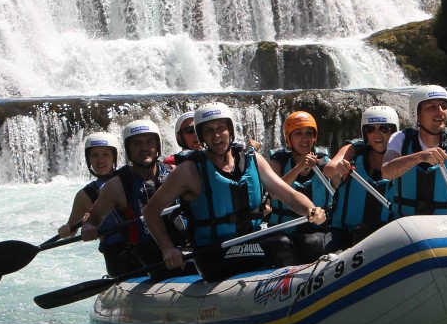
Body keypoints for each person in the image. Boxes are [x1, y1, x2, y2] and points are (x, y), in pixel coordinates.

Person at [142, 102, 328, 283]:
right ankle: (293, 292)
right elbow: (151, 211)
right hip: (213, 253)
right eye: (209, 130)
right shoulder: (189, 171)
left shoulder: (252, 159)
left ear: (230, 130)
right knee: (280, 245)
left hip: (251, 240)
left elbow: (287, 194)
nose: (216, 135)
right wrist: (167, 248)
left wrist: (310, 209)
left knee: (309, 243)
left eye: (221, 128)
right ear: (201, 136)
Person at [81, 119, 186, 278]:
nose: (144, 148)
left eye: (149, 142)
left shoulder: (173, 173)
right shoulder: (117, 185)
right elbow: (93, 217)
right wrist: (88, 225)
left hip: (183, 246)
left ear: (157, 146)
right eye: (137, 143)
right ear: (128, 149)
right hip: (147, 256)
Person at [381, 85, 447, 215]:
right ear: (417, 114)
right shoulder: (400, 139)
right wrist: (420, 157)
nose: (440, 112)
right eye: (432, 107)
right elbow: (387, 172)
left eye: (444, 106)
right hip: (405, 224)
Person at [322, 105, 397, 249]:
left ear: (393, 132)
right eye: (371, 129)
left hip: (383, 235)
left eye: (384, 129)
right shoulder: (353, 150)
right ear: (365, 133)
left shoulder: (402, 155)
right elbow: (328, 170)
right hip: (344, 232)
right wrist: (339, 167)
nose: (377, 134)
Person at [267, 111, 333, 261]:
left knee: (313, 243)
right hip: (284, 230)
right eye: (298, 133)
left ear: (314, 137)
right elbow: (275, 193)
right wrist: (298, 168)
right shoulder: (277, 163)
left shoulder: (325, 164)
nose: (305, 138)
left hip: (318, 230)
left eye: (309, 133)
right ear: (288, 139)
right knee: (282, 246)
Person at [57, 132, 119, 238]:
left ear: (114, 157)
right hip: (113, 248)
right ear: (89, 159)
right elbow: (71, 229)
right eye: (95, 155)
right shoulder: (85, 195)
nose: (100, 160)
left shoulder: (128, 179)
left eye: (106, 154)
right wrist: (65, 230)